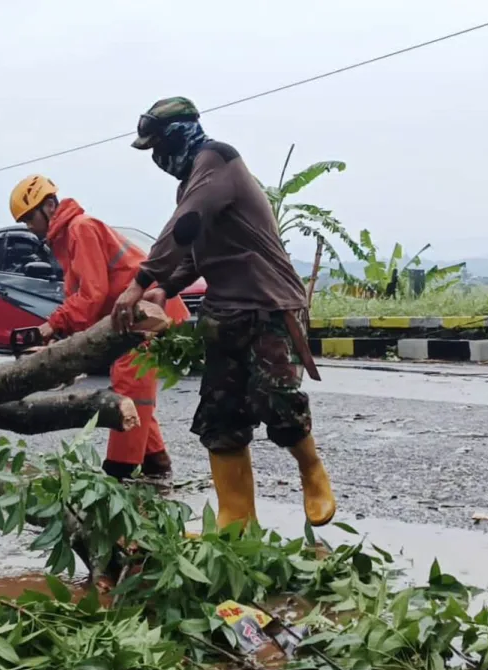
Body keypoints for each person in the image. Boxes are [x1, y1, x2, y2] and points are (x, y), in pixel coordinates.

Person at [112, 96, 336, 528]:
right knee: (220, 417)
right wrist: (165, 288)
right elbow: (197, 251)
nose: (157, 158)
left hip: (270, 305)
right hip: (223, 313)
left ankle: (312, 473)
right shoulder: (192, 182)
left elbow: (187, 226)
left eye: (158, 146)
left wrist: (140, 282)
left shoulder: (218, 161)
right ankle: (236, 523)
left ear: (180, 135)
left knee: (278, 402)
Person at [9, 174, 190, 481]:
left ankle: (120, 471)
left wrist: (50, 327)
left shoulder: (81, 229)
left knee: (129, 387)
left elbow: (92, 294)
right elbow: (85, 299)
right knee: (137, 394)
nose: (30, 227)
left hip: (149, 314)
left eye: (30, 218)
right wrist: (61, 335)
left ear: (50, 206)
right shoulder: (65, 240)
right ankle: (156, 462)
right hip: (133, 319)